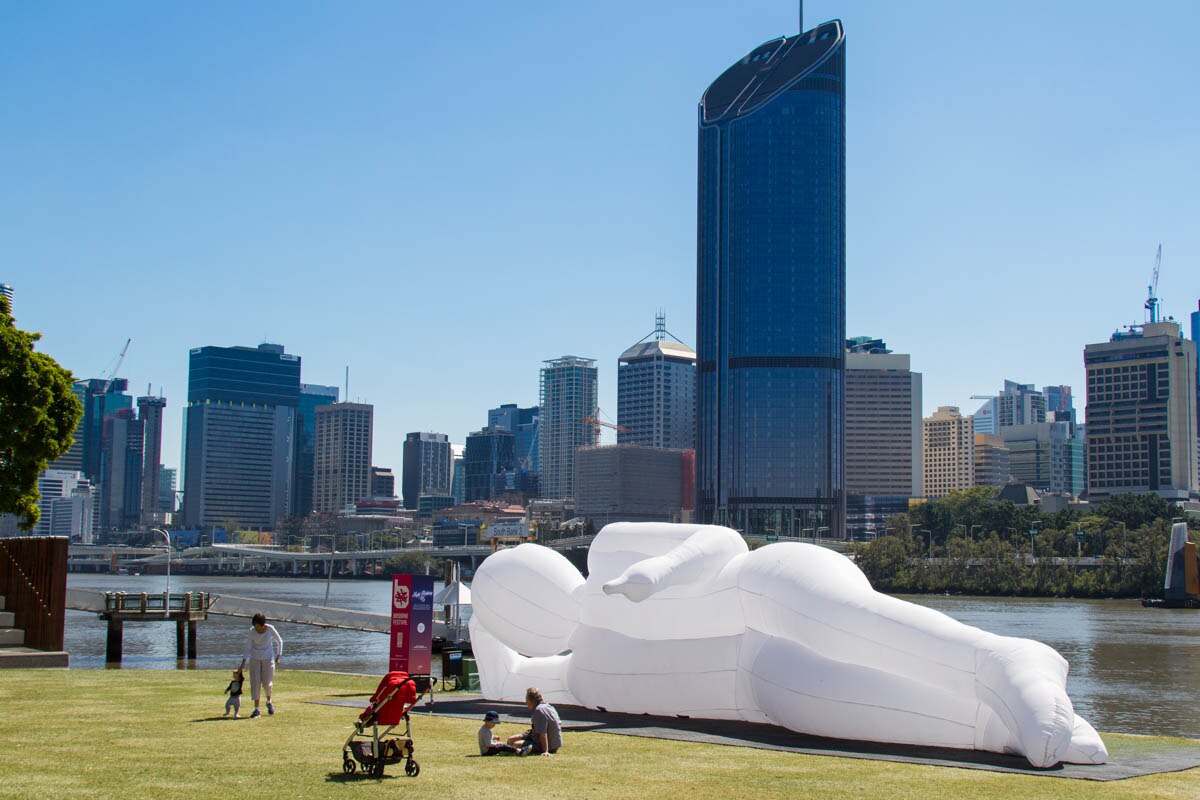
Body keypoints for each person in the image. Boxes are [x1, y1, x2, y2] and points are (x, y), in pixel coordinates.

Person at [469, 523, 1109, 769]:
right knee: (828, 697)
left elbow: (721, 541)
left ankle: (1001, 659)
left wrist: (660, 572)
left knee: (838, 621)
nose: (528, 613)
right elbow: (512, 680)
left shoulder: (609, 552)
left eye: (518, 594)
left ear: (545, 568)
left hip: (757, 586)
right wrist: (486, 640)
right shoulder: (579, 669)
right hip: (752, 681)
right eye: (510, 612)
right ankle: (998, 727)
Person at [239, 612, 283, 719]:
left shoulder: (270, 629)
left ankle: (269, 701)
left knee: (267, 684)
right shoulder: (251, 631)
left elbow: (280, 641)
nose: (256, 628)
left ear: (263, 625)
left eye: (258, 626)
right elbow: (248, 647)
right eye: (255, 626)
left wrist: (278, 655)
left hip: (268, 658)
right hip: (255, 659)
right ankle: (256, 709)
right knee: (255, 683)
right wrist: (243, 663)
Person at [506, 687, 561, 756]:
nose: (525, 702)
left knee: (515, 744)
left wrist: (545, 751)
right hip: (555, 744)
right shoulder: (549, 707)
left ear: (530, 700)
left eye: (526, 699)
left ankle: (526, 749)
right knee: (510, 740)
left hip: (549, 746)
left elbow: (542, 733)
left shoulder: (539, 711)